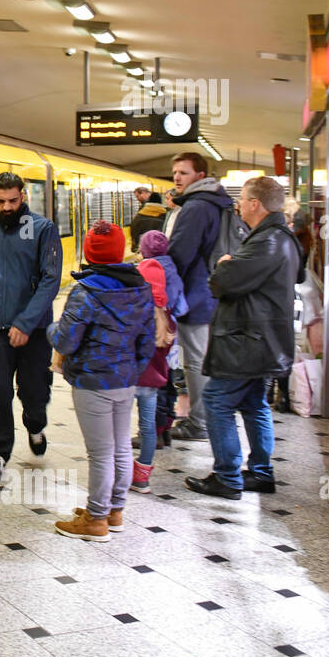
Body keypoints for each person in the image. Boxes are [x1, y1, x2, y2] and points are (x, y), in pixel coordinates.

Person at [185, 177, 302, 499]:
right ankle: (261, 473)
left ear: (255, 204)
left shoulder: (267, 242)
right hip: (262, 340)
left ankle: (227, 477)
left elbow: (224, 283)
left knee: (216, 401)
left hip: (248, 340)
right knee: (253, 404)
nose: (238, 206)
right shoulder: (279, 237)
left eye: (244, 200)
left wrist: (224, 264)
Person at [48, 221, 155, 539]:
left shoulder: (87, 292)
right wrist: (132, 371)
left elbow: (66, 342)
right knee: (121, 447)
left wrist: (50, 329)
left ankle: (95, 520)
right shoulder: (140, 287)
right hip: (125, 380)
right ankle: (114, 511)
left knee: (100, 453)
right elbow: (147, 342)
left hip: (93, 383)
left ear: (89, 252)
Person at [0, 172, 63, 483]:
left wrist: (25, 322)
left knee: (34, 389)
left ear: (23, 196)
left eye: (13, 200)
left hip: (34, 331)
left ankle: (35, 424)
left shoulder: (43, 229)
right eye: (1, 201)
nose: (7, 207)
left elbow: (51, 280)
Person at [165, 151, 235, 442]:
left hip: (196, 295)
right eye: (176, 172)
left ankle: (200, 423)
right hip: (210, 292)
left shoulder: (196, 207)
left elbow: (180, 252)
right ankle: (205, 418)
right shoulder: (215, 203)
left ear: (200, 177)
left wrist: (161, 278)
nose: (177, 178)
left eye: (184, 172)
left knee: (195, 361)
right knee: (202, 358)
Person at [130, 229, 185, 492]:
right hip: (152, 385)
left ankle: (120, 471)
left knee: (119, 428)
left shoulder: (133, 317)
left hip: (129, 381)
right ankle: (143, 476)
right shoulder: (167, 322)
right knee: (148, 428)